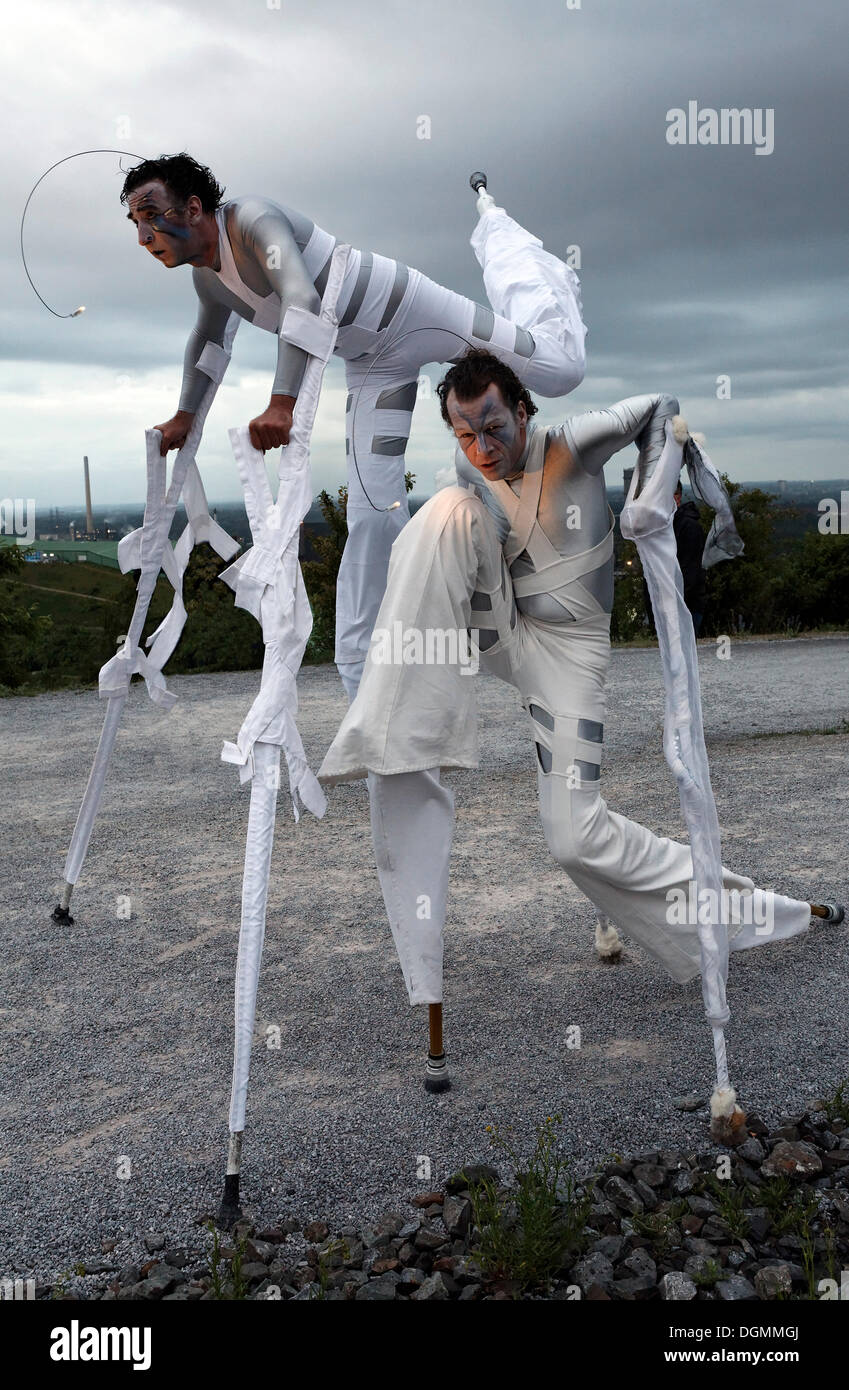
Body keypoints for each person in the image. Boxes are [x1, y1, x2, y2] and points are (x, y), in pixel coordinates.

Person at [317, 349, 821, 1008]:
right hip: (499, 628)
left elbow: (661, 410)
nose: (481, 446)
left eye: (493, 427)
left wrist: (646, 498)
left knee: (575, 837)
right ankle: (398, 732)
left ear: (523, 410)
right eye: (464, 433)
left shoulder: (573, 447)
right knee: (444, 511)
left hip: (567, 654)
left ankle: (744, 910)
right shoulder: (468, 476)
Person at [120, 153, 587, 698]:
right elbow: (208, 344)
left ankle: (510, 257)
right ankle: (369, 685)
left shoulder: (251, 221)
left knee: (561, 370)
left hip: (413, 311)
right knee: (372, 516)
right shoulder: (209, 282)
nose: (143, 236)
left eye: (149, 215)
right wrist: (185, 416)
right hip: (372, 367)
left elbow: (302, 297)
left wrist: (282, 402)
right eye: (135, 223)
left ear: (192, 207)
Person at [643, 478, 707, 636]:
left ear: (677, 497)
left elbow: (688, 573)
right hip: (663, 608)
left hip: (685, 607)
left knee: (683, 656)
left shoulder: (689, 527)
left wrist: (672, 607)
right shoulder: (657, 527)